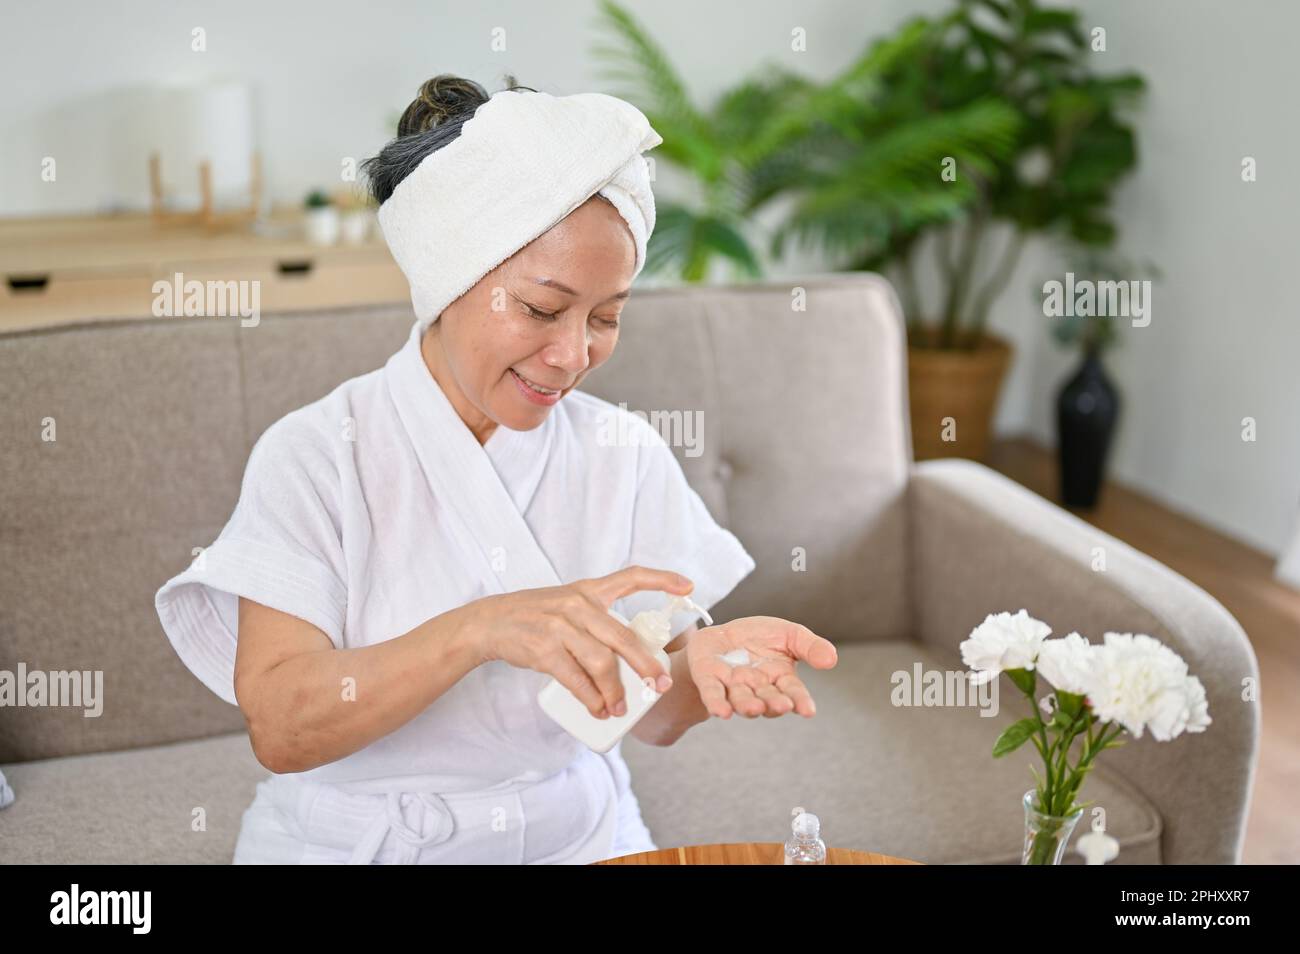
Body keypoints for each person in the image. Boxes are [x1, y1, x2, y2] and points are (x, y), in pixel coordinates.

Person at [155, 74, 838, 865]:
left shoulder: (624, 455)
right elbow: (280, 724)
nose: (574, 354)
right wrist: (478, 629)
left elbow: (645, 716)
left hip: (576, 840)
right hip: (360, 845)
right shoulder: (316, 455)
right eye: (544, 309)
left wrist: (702, 672)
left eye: (607, 316)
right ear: (449, 281)